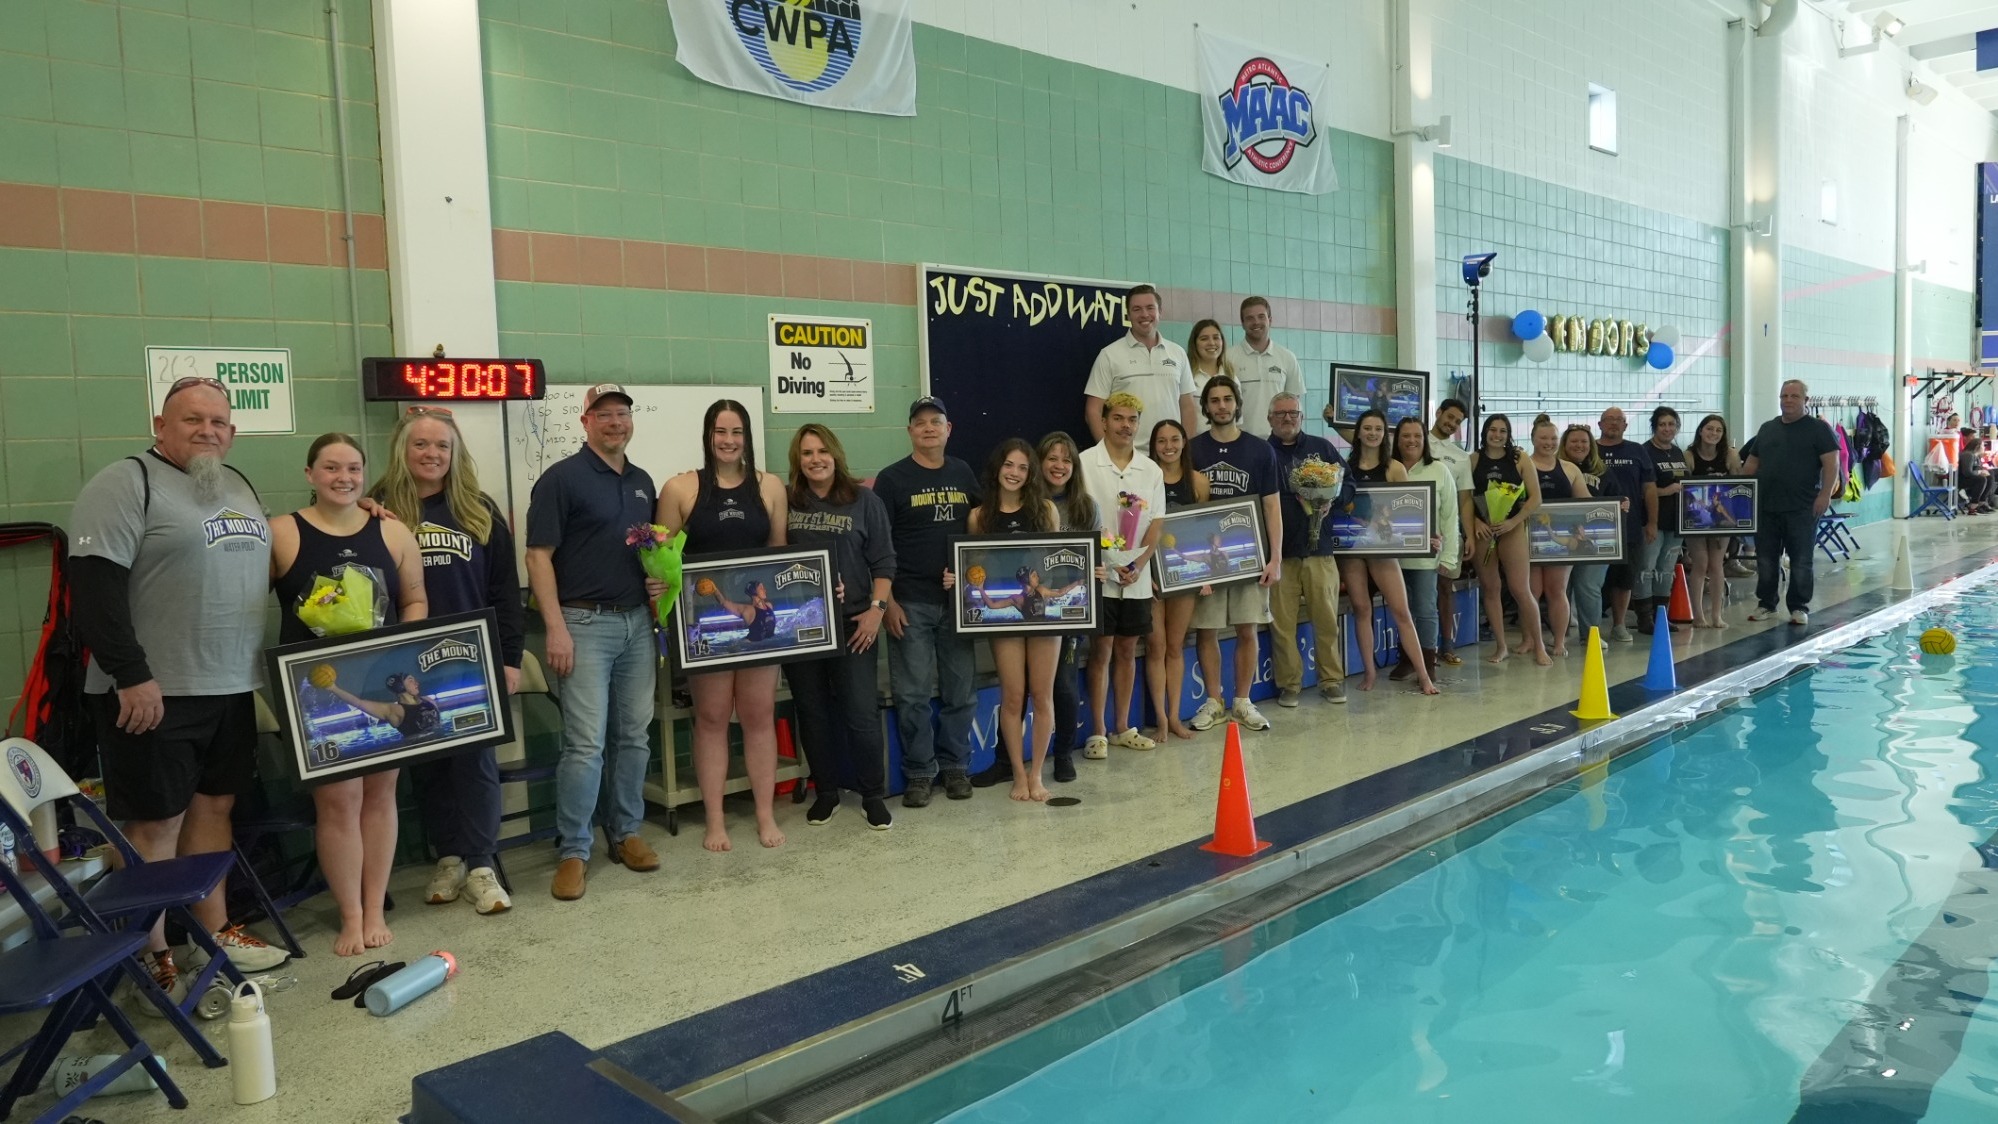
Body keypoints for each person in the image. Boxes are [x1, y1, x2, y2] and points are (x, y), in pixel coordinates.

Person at [69, 377, 296, 1000]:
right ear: (159, 425)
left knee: (214, 810)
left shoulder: (237, 485)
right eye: (192, 419)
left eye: (219, 422)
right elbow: (91, 586)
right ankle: (150, 952)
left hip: (229, 684)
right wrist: (131, 675)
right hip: (153, 691)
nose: (207, 430)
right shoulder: (126, 482)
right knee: (154, 825)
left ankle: (214, 931)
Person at [270, 433, 429, 955]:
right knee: (338, 802)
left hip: (375, 678)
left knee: (381, 795)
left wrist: (396, 655)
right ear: (309, 473)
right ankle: (351, 915)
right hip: (316, 690)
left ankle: (376, 903)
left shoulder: (393, 530)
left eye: (354, 468)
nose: (344, 477)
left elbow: (415, 602)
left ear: (365, 474)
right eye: (331, 468)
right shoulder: (282, 533)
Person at [370, 405, 524, 917]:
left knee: (475, 760)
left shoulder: (478, 509)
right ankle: (449, 857)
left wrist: (508, 658)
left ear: (454, 453)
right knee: (428, 764)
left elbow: (504, 591)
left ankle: (482, 862)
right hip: (408, 660)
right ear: (402, 450)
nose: (432, 454)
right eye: (421, 444)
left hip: (469, 658)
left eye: (442, 446)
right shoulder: (377, 508)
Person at [526, 383, 666, 902]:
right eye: (604, 414)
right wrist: (556, 627)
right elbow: (538, 557)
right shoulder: (560, 480)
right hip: (582, 626)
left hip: (635, 625)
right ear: (585, 421)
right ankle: (574, 851)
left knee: (634, 736)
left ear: (631, 421)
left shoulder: (642, 482)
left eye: (622, 414)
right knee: (585, 744)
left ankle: (626, 832)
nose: (615, 422)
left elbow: (643, 552)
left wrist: (654, 581)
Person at [657, 399, 790, 851]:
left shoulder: (769, 487)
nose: (728, 440)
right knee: (711, 718)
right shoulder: (680, 488)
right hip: (705, 627)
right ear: (707, 436)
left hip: (757, 626)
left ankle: (764, 813)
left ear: (747, 437)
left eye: (736, 431)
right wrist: (657, 586)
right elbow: (663, 562)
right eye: (720, 431)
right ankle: (715, 820)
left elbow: (779, 554)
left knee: (758, 716)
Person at [782, 423, 895, 831]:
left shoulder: (864, 500)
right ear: (798, 460)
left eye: (822, 451)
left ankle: (872, 795)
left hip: (854, 624)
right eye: (807, 453)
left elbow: (884, 563)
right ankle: (826, 792)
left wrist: (876, 611)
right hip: (803, 628)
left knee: (861, 713)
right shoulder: (789, 501)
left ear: (836, 454)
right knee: (813, 712)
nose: (815, 459)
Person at [874, 396, 980, 806]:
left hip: (957, 604)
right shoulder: (892, 479)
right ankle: (919, 772)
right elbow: (879, 547)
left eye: (936, 421)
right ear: (910, 432)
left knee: (961, 691)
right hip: (910, 602)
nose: (929, 428)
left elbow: (979, 530)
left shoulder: (963, 472)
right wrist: (889, 603)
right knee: (913, 694)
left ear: (948, 429)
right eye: (920, 423)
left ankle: (955, 767)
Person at [1186, 375, 1284, 731]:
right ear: (1206, 406)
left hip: (1249, 555)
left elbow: (1272, 507)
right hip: (1209, 560)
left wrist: (1275, 558)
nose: (1222, 406)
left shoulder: (1260, 450)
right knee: (1207, 630)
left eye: (1228, 399)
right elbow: (1186, 512)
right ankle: (1214, 701)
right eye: (1214, 400)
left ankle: (1242, 701)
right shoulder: (1193, 449)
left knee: (1247, 628)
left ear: (1237, 404)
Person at [968, 439, 1064, 802]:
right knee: (1012, 697)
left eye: (1023, 467)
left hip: (1042, 616)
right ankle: (1018, 774)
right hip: (1007, 616)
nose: (1015, 473)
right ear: (998, 468)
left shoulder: (1046, 510)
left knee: (1042, 695)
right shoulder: (980, 516)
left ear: (1031, 473)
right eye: (1009, 465)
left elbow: (1060, 562)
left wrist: (1086, 577)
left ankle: (1038, 773)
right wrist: (963, 583)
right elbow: (972, 568)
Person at [1077, 392, 1166, 757]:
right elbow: (1079, 520)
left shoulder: (1151, 469)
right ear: (1104, 421)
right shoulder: (1083, 463)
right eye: (1118, 418)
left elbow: (1156, 523)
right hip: (1099, 575)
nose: (1125, 425)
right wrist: (1110, 564)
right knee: (1101, 651)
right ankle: (1097, 731)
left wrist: (1138, 564)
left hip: (1136, 577)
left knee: (1128, 651)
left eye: (1132, 420)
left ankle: (1122, 726)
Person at [1339, 410, 1437, 694]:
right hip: (1354, 547)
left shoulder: (1395, 468)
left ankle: (1424, 675)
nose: (1372, 433)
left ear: (1385, 434)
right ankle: (1370, 673)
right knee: (1361, 609)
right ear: (1358, 433)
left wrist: (1427, 534)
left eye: (1378, 429)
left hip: (1382, 545)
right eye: (1367, 428)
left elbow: (1409, 509)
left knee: (1401, 611)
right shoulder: (1346, 467)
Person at [1266, 394, 1350, 705]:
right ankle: (1290, 684)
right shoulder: (1263, 453)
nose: (1287, 418)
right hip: (1280, 555)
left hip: (1319, 551)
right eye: (1280, 413)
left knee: (1326, 620)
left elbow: (1348, 483)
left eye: (1293, 413)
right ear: (1269, 419)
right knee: (1282, 625)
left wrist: (1334, 500)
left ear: (1302, 417)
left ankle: (1331, 679)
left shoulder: (1323, 448)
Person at [1743, 379, 1840, 627]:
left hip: (1802, 507)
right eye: (1784, 395)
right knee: (1766, 559)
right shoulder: (1767, 429)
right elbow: (1751, 465)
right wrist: (1732, 486)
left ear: (1806, 400)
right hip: (1767, 507)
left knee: (1801, 560)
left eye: (1794, 396)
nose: (1788, 400)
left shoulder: (1819, 429)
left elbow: (1832, 464)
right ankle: (1767, 604)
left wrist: (1825, 494)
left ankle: (1798, 606)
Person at [1145, 419, 1210, 735]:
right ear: (1153, 445)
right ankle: (1159, 718)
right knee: (1156, 647)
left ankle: (1174, 716)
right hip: (1153, 577)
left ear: (1185, 442)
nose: (1168, 446)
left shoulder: (1198, 482)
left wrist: (1206, 574)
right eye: (1161, 441)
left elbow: (1201, 531)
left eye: (1174, 439)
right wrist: (1144, 572)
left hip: (1183, 575)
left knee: (1175, 645)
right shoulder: (1145, 480)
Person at [1469, 415, 1550, 666]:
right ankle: (1501, 646)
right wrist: (1476, 522)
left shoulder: (1519, 458)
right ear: (1485, 432)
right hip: (1485, 529)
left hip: (1512, 527)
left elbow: (1535, 498)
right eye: (1493, 430)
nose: (1498, 435)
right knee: (1491, 588)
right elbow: (1466, 497)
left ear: (1509, 433)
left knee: (1520, 589)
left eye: (1503, 431)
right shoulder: (1473, 460)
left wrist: (1514, 522)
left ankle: (1539, 646)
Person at [1037, 433, 1094, 780]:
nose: (1059, 466)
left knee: (1064, 684)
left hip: (1071, 609)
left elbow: (1095, 554)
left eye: (1066, 460)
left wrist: (1098, 567)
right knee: (1023, 686)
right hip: (1032, 609)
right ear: (1040, 463)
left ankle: (1063, 754)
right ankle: (1003, 758)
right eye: (1052, 458)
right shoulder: (1025, 503)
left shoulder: (1086, 506)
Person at [1084, 284, 1196, 452]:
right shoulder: (1109, 355)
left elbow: (1187, 407)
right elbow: (1093, 410)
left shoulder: (1178, 353)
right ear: (1128, 314)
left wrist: (1185, 451)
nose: (1144, 314)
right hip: (1129, 457)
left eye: (1150, 308)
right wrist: (1108, 453)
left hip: (1170, 456)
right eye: (1137, 309)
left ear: (1160, 312)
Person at [1396, 418, 1463, 682]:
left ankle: (1427, 662)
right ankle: (1406, 660)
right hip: (1394, 557)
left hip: (1426, 556)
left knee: (1425, 610)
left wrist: (1448, 555)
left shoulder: (1438, 470)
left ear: (1425, 440)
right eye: (1405, 436)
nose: (1411, 441)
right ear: (1397, 440)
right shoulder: (1391, 468)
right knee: (1402, 612)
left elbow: (1450, 515)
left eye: (1417, 436)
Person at [1526, 415, 1591, 659]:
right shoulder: (1525, 466)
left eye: (1553, 438)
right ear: (1533, 439)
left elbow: (1586, 502)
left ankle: (1559, 641)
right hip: (1529, 537)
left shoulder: (1570, 468)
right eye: (1543, 438)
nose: (1549, 442)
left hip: (1561, 538)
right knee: (1531, 591)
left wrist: (1615, 508)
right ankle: (1531, 640)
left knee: (1557, 590)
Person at [1595, 407, 1656, 643]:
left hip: (1628, 528)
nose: (1613, 424)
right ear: (1600, 425)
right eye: (1609, 420)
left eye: (1619, 420)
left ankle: (1619, 625)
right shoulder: (1590, 450)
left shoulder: (1637, 451)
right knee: (1592, 581)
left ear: (1625, 426)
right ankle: (1590, 627)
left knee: (1625, 578)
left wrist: (1651, 522)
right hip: (1593, 528)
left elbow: (1649, 489)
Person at [1425, 399, 1476, 666]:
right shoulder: (1415, 442)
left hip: (1447, 532)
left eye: (1458, 422)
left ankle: (1446, 645)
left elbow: (1465, 499)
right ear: (1438, 413)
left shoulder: (1460, 456)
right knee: (1417, 590)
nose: (1452, 423)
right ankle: (1421, 649)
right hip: (1415, 530)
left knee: (1445, 587)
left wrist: (1467, 535)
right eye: (1450, 417)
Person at [1634, 407, 1688, 636]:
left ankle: (1661, 616)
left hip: (1675, 522)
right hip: (1651, 520)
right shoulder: (1645, 452)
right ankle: (1644, 618)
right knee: (1646, 569)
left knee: (1666, 570)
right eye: (1662, 424)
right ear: (1655, 427)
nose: (1667, 429)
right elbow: (1641, 489)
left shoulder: (1677, 453)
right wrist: (1665, 491)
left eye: (1671, 424)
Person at [1683, 414, 1741, 628]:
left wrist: (1732, 518)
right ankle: (1698, 615)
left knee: (1716, 564)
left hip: (1720, 516)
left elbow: (1739, 487)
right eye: (1709, 429)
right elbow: (1684, 490)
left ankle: (1717, 615)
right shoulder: (1689, 456)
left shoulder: (1730, 456)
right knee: (1701, 564)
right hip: (1696, 516)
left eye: (1718, 430)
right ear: (1701, 431)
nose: (1713, 434)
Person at [1560, 425, 1610, 648]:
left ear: (1591, 446)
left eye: (1584, 442)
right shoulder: (1555, 468)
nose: (1579, 445)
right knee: (1560, 588)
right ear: (1564, 444)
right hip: (1565, 536)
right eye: (1574, 441)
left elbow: (1615, 500)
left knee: (1589, 585)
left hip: (1595, 538)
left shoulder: (1604, 471)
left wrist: (1623, 504)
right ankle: (1559, 637)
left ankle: (1591, 635)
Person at [1226, 296, 1304, 439]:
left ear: (1270, 320)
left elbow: (1294, 406)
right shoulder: (1228, 358)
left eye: (1261, 317)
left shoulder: (1287, 357)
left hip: (1279, 443)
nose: (1256, 322)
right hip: (1240, 441)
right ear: (1242, 323)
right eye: (1249, 318)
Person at [1957, 428, 1994, 512]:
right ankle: (1973, 504)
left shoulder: (1976, 456)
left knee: (1990, 474)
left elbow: (1976, 468)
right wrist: (1980, 472)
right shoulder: (1968, 455)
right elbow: (1967, 473)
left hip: (1968, 478)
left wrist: (1983, 470)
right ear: (1977, 446)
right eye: (1982, 446)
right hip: (1961, 480)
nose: (1984, 448)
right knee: (1981, 479)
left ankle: (1982, 501)